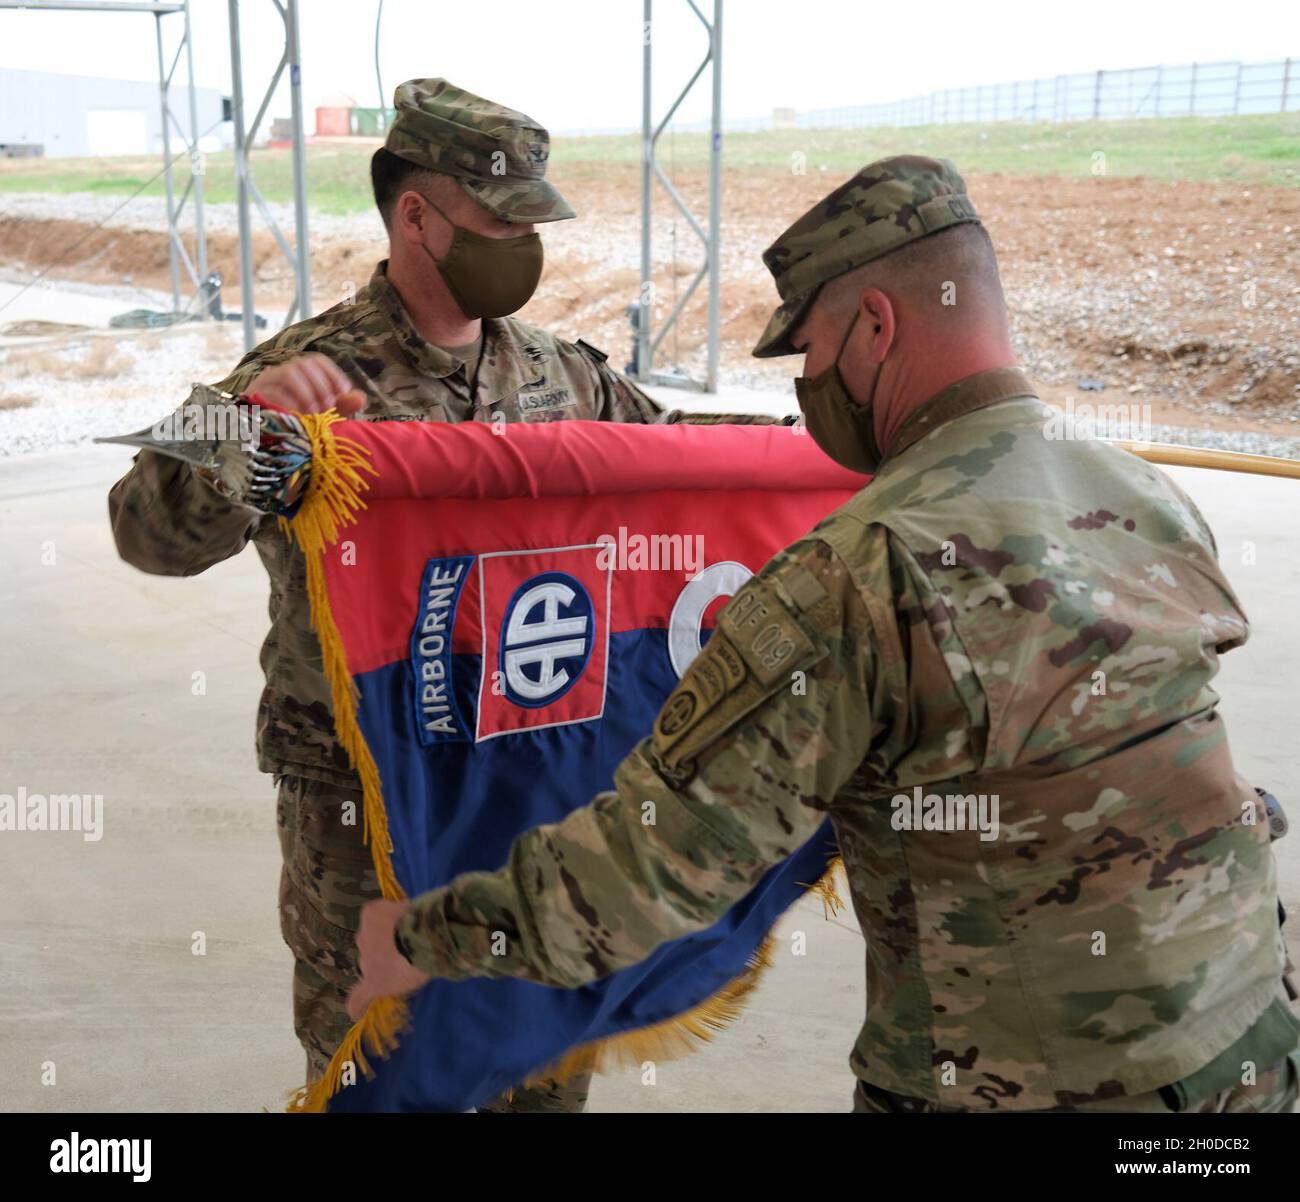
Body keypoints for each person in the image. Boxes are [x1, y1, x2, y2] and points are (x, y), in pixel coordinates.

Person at [347, 155, 1299, 1113]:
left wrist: (426, 939)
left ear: (877, 326)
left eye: (809, 351)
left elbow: (646, 875)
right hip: (1244, 1047)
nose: (807, 383)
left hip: (1024, 1082)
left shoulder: (858, 571)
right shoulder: (1140, 490)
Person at [108, 77, 665, 1114]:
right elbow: (146, 536)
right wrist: (247, 435)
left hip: (536, 790)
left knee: (539, 1060)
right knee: (383, 1065)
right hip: (367, 816)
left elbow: (680, 495)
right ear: (417, 214)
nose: (524, 245)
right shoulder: (303, 379)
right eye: (501, 222)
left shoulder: (569, 378)